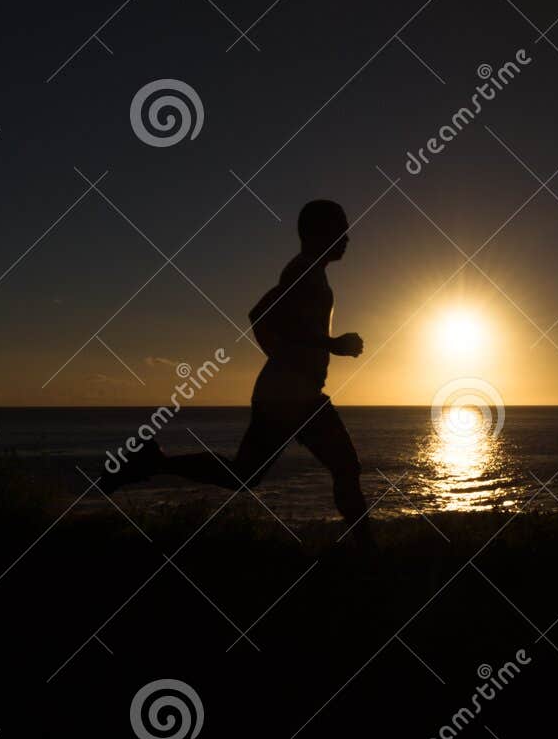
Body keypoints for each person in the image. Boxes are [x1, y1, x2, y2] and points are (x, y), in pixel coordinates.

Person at [101, 200, 372, 546]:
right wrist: (329, 345)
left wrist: (290, 355)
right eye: (340, 229)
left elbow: (260, 315)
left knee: (247, 474)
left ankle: (154, 462)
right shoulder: (303, 271)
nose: (347, 237)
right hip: (290, 397)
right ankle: (369, 555)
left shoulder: (310, 271)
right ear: (316, 233)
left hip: (293, 393)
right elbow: (263, 315)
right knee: (342, 468)